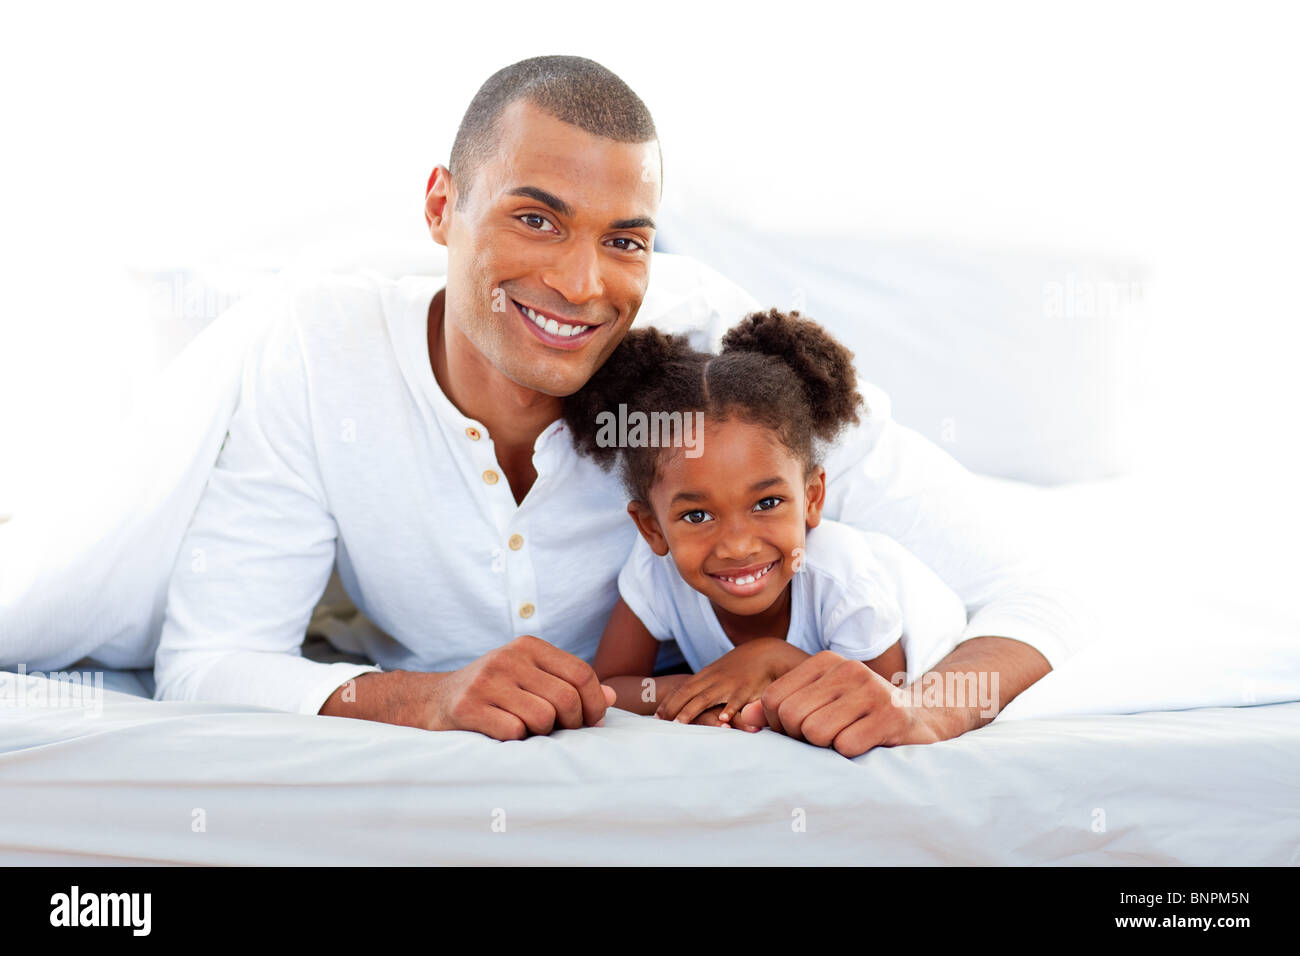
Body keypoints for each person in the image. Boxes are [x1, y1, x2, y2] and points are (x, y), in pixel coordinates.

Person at [153, 55, 1080, 757]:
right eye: (536, 218)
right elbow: (205, 665)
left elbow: (1027, 590)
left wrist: (923, 710)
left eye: (624, 239)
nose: (581, 284)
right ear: (442, 206)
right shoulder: (321, 353)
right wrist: (420, 698)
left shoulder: (723, 366)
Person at [570, 310, 969, 734]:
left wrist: (770, 660)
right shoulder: (655, 573)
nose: (738, 546)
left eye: (767, 503)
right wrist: (703, 689)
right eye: (697, 515)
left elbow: (884, 701)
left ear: (812, 498)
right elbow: (610, 687)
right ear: (652, 528)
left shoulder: (844, 582)